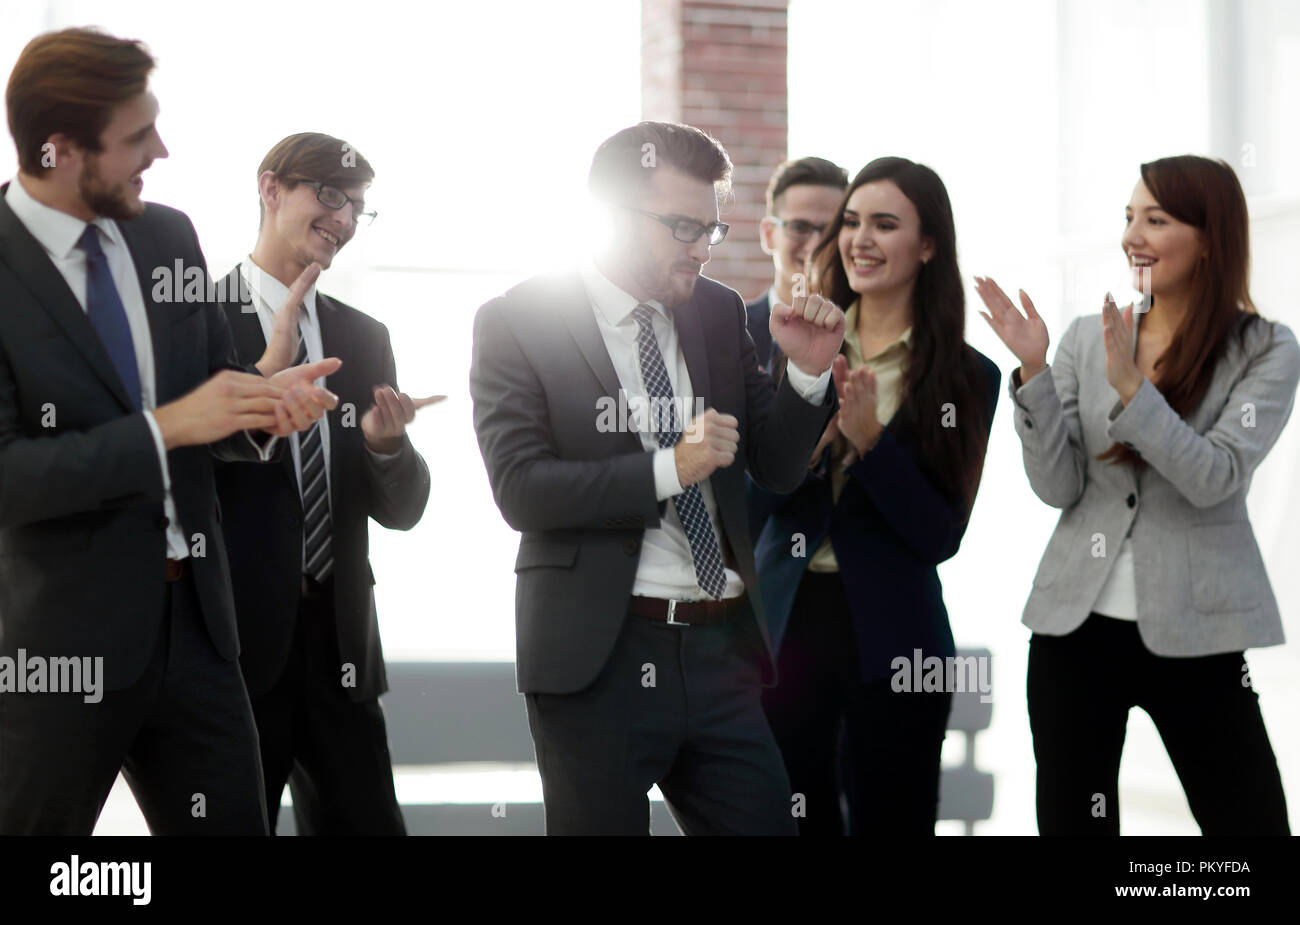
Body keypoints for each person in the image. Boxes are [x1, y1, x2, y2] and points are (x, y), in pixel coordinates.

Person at [0, 28, 336, 835]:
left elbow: (207, 398)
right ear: (58, 149)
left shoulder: (168, 236)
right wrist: (170, 425)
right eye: (136, 136)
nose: (162, 149)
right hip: (60, 644)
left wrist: (260, 408)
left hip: (199, 633)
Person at [469, 121, 844, 835]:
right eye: (682, 227)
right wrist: (674, 465)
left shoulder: (717, 310)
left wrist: (806, 371)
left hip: (721, 649)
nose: (703, 248)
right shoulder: (519, 321)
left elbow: (773, 463)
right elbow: (523, 489)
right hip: (599, 656)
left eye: (711, 227)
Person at [976, 154, 1297, 835]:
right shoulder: (1086, 339)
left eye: (1156, 218)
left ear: (1210, 236)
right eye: (1128, 217)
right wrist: (1033, 370)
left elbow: (1215, 477)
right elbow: (1056, 485)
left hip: (1200, 634)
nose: (1133, 235)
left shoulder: (1264, 349)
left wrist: (1133, 390)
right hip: (1073, 633)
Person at [752, 157, 1000, 834]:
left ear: (927, 246)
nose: (859, 238)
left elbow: (938, 534)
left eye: (884, 224)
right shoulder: (789, 343)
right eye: (851, 221)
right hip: (785, 631)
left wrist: (870, 442)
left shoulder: (968, 377)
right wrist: (804, 438)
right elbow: (744, 511)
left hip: (898, 638)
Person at [212, 132, 436, 834]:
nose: (343, 219)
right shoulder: (196, 320)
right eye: (331, 196)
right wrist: (257, 391)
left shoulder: (363, 335)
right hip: (237, 647)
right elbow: (184, 472)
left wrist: (384, 445)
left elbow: (401, 511)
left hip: (341, 647)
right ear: (271, 187)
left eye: (358, 208)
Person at [746, 157, 848, 373]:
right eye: (800, 227)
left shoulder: (860, 335)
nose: (815, 245)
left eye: (830, 231)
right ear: (769, 234)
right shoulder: (733, 330)